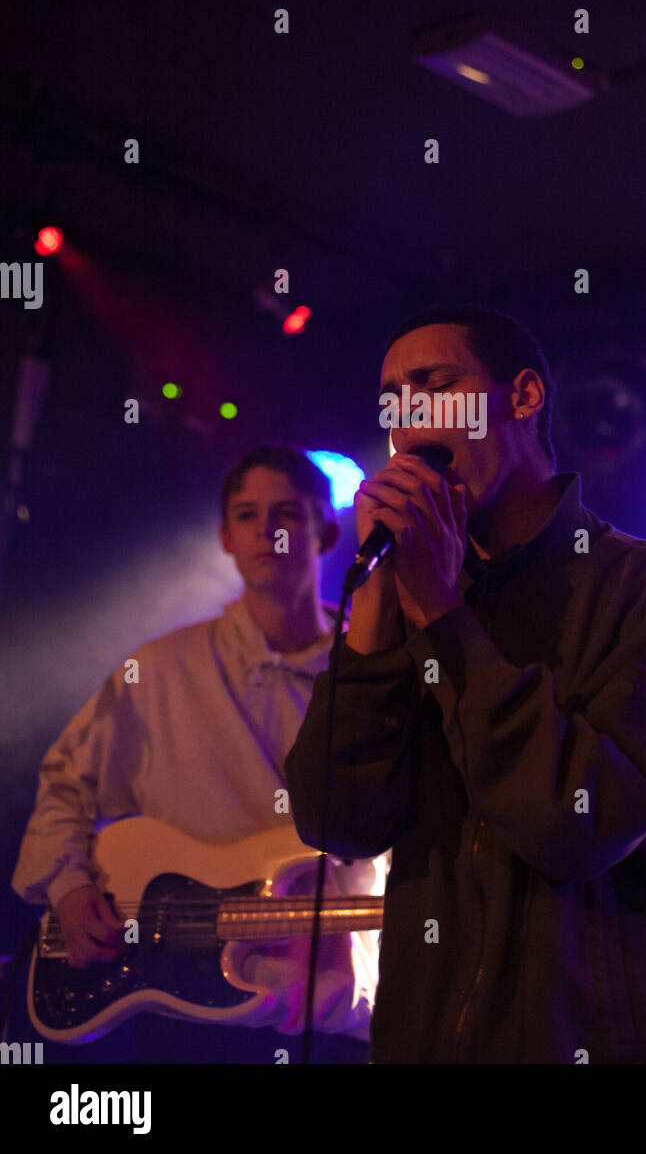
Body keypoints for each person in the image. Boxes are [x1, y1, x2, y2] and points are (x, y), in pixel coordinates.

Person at [285, 305, 646, 1064]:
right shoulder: (411, 597)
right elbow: (336, 820)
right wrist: (379, 616)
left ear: (523, 397)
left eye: (434, 383)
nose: (408, 412)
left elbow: (572, 820)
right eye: (393, 397)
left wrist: (445, 615)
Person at [12, 445, 384, 1064]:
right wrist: (71, 889)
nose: (267, 530)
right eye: (247, 514)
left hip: (330, 1006)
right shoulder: (159, 669)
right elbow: (65, 783)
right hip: (182, 1004)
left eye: (287, 512)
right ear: (224, 537)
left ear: (325, 531)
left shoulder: (372, 669)